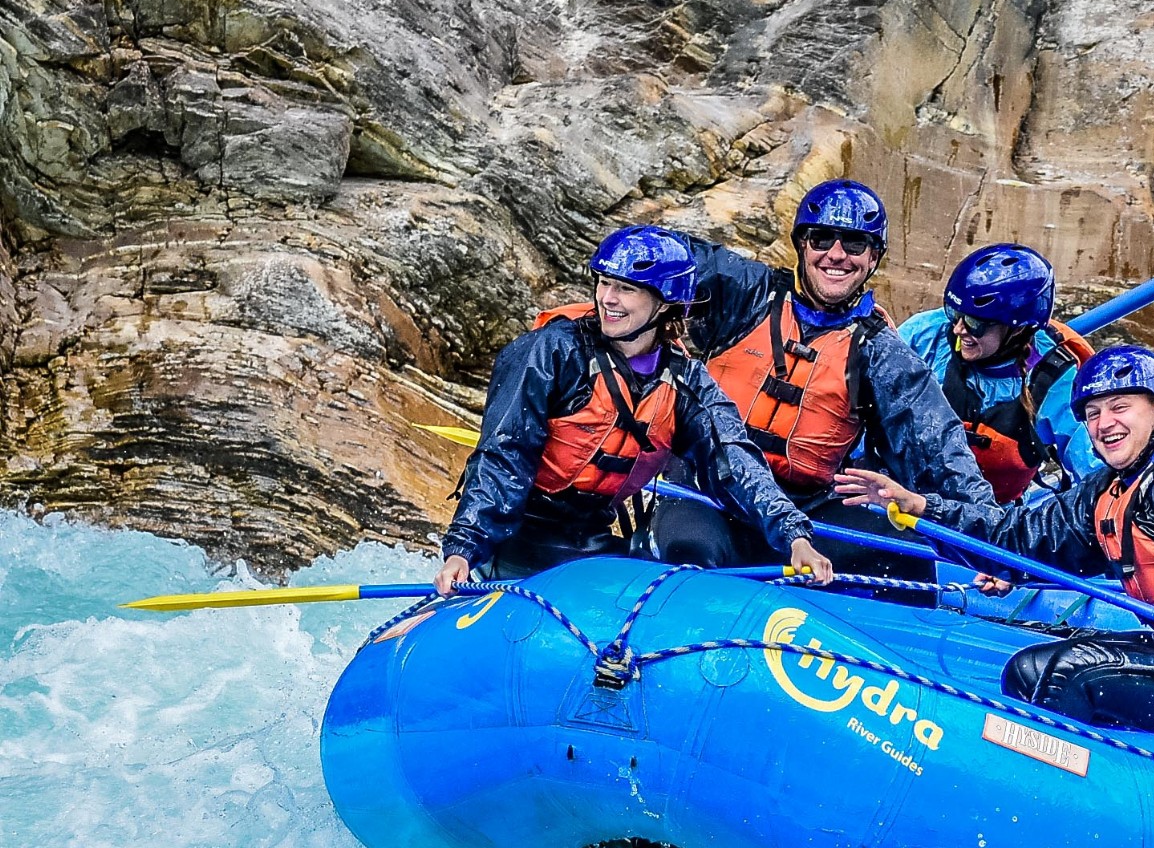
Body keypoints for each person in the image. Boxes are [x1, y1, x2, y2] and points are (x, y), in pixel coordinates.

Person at [834, 345, 1154, 740]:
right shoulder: (1109, 488)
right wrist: (920, 509)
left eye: (1120, 406)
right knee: (1028, 671)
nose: (1104, 424)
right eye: (1093, 413)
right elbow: (1020, 540)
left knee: (1065, 674)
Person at [436, 226, 832, 595]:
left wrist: (793, 534)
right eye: (604, 283)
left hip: (591, 540)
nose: (608, 298)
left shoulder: (685, 382)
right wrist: (464, 548)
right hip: (514, 544)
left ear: (665, 304)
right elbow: (503, 455)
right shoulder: (550, 351)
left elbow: (734, 461)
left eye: (626, 289)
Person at [644, 179, 994, 572]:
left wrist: (992, 550)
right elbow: (655, 257)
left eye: (855, 244)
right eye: (822, 239)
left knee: (904, 557)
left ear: (874, 257)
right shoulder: (744, 293)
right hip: (705, 488)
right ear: (802, 245)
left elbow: (943, 453)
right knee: (691, 552)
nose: (837, 255)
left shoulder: (881, 353)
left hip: (807, 504)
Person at [896, 243, 1094, 503]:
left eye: (975, 324)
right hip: (899, 494)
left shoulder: (1055, 380)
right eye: (954, 314)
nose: (958, 329)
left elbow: (1095, 471)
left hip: (990, 518)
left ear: (1018, 329)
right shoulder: (924, 335)